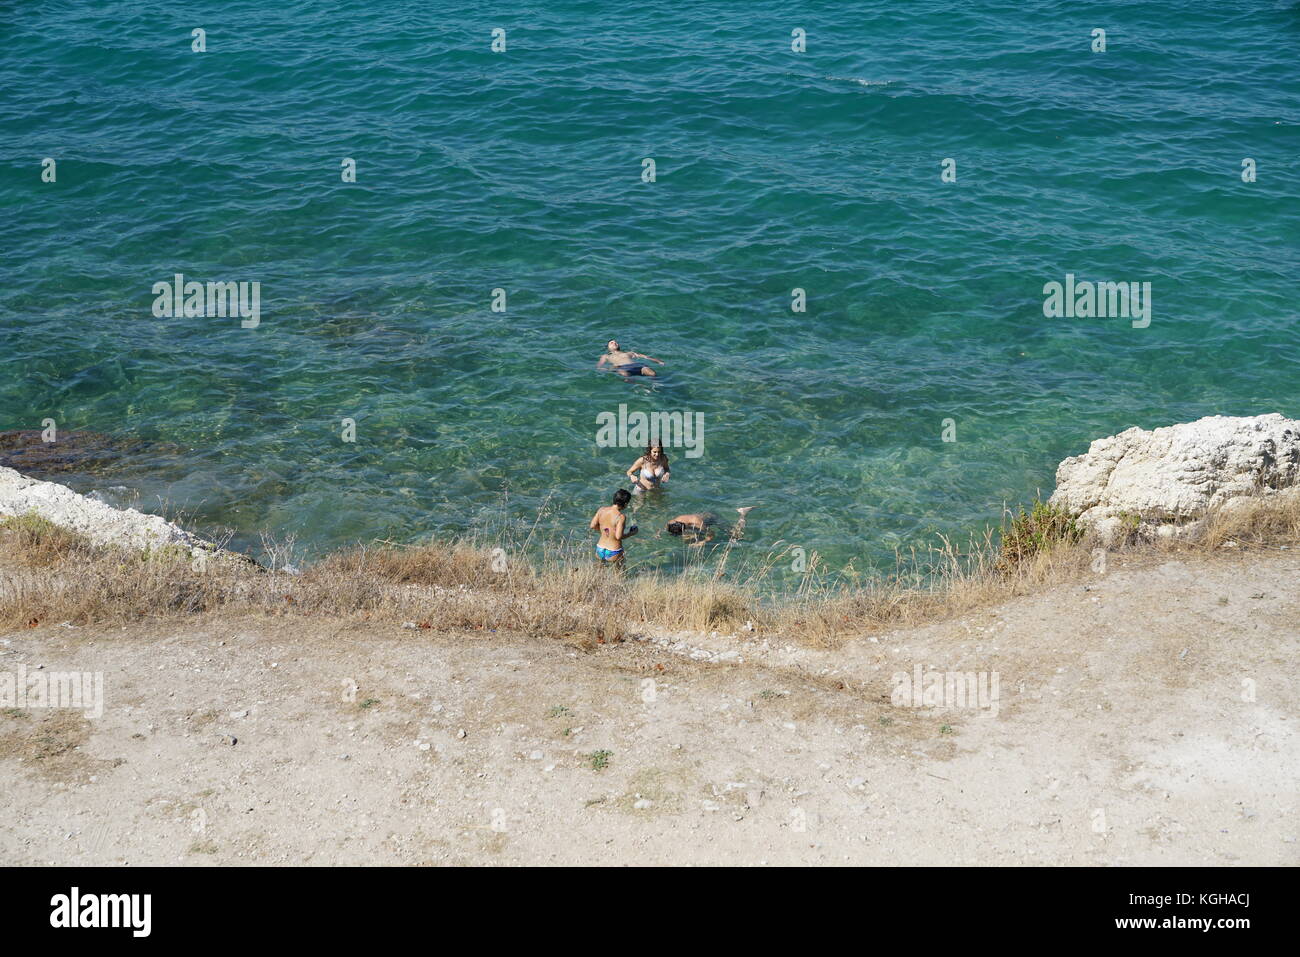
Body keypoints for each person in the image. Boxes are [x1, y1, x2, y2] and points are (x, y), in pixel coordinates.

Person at [590, 488, 638, 562]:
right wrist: (631, 533)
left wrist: (604, 532)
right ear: (625, 504)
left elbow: (592, 525)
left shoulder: (601, 510)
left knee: (599, 570)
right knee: (619, 572)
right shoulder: (621, 517)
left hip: (600, 548)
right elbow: (618, 536)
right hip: (614, 551)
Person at [666, 506, 755, 547]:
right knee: (689, 538)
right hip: (701, 517)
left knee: (736, 536)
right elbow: (665, 527)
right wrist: (657, 534)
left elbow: (712, 534)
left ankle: (743, 513)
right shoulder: (672, 522)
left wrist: (702, 542)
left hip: (712, 517)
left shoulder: (697, 523)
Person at [597, 339, 665, 377]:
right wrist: (607, 369)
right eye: (611, 343)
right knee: (624, 374)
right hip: (622, 368)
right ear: (608, 347)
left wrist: (658, 361)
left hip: (637, 365)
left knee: (652, 373)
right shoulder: (606, 356)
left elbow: (646, 357)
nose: (615, 343)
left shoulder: (628, 353)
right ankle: (638, 386)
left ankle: (655, 386)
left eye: (616, 342)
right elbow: (599, 366)